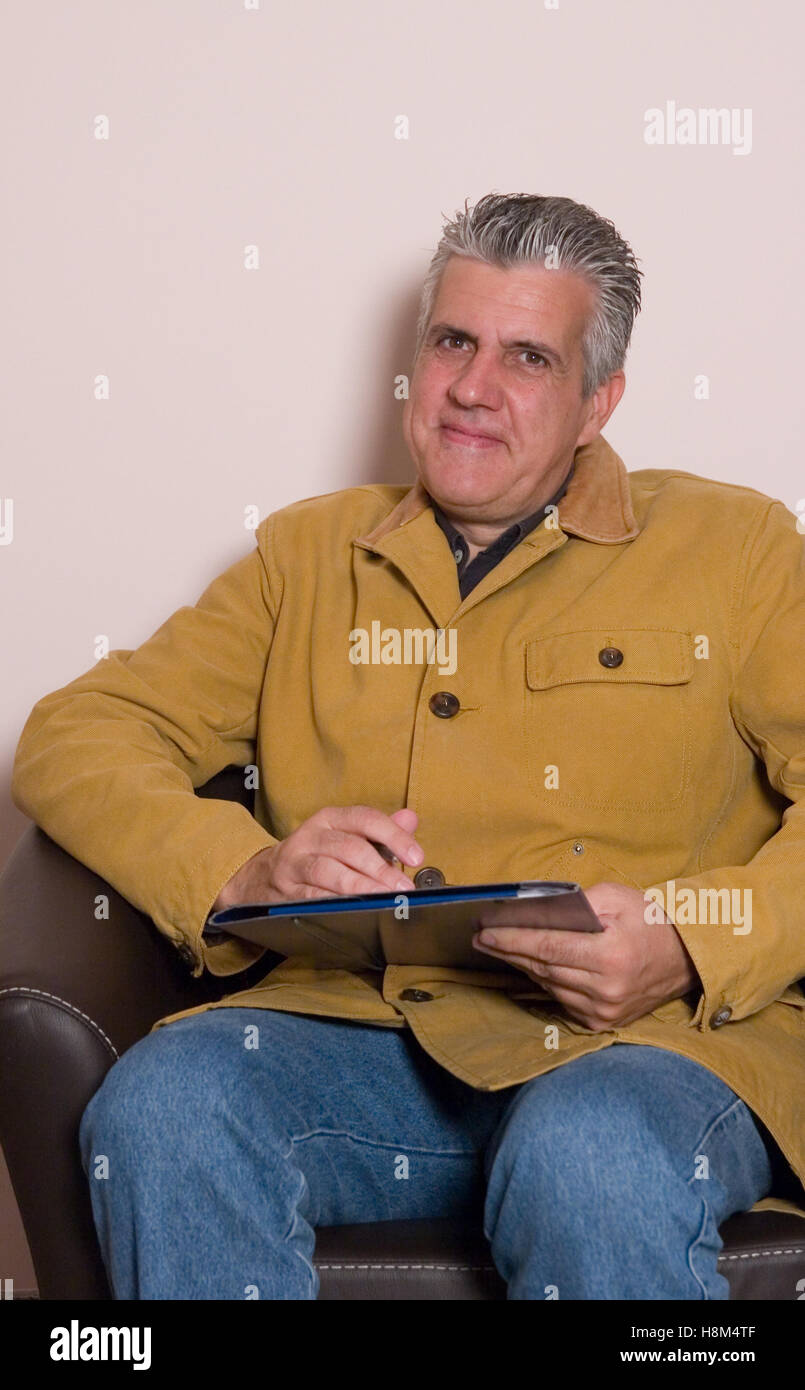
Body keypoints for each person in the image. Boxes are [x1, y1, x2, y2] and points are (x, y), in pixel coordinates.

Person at [11, 193, 805, 1301]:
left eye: (528, 356)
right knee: (164, 1103)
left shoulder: (740, 548)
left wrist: (695, 942)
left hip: (651, 1050)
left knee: (586, 1154)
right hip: (358, 1039)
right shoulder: (305, 555)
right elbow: (74, 732)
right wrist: (243, 868)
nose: (474, 387)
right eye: (452, 341)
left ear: (597, 401)